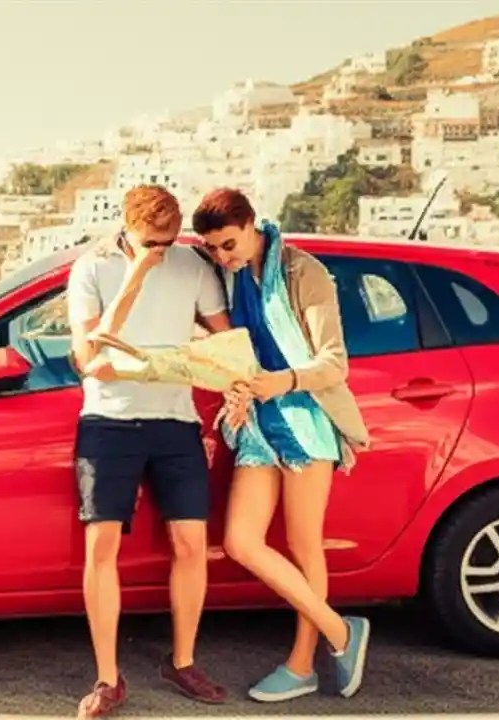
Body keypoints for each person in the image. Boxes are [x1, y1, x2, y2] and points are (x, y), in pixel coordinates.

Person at [191, 187, 373, 702]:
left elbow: (335, 362)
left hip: (304, 420)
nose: (221, 256)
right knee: (241, 541)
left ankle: (301, 665)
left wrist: (281, 381)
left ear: (252, 225)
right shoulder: (229, 273)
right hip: (256, 426)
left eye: (228, 244)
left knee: (302, 543)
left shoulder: (303, 272)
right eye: (213, 249)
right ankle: (342, 631)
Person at [66, 185, 232, 718]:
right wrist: (137, 273)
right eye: (150, 242)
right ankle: (108, 679)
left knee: (190, 541)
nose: (161, 250)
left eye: (168, 240)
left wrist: (230, 374)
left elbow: (225, 340)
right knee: (101, 547)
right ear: (126, 226)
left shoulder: (192, 265)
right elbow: (85, 353)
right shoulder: (91, 269)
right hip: (109, 421)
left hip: (175, 421)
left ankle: (181, 662)